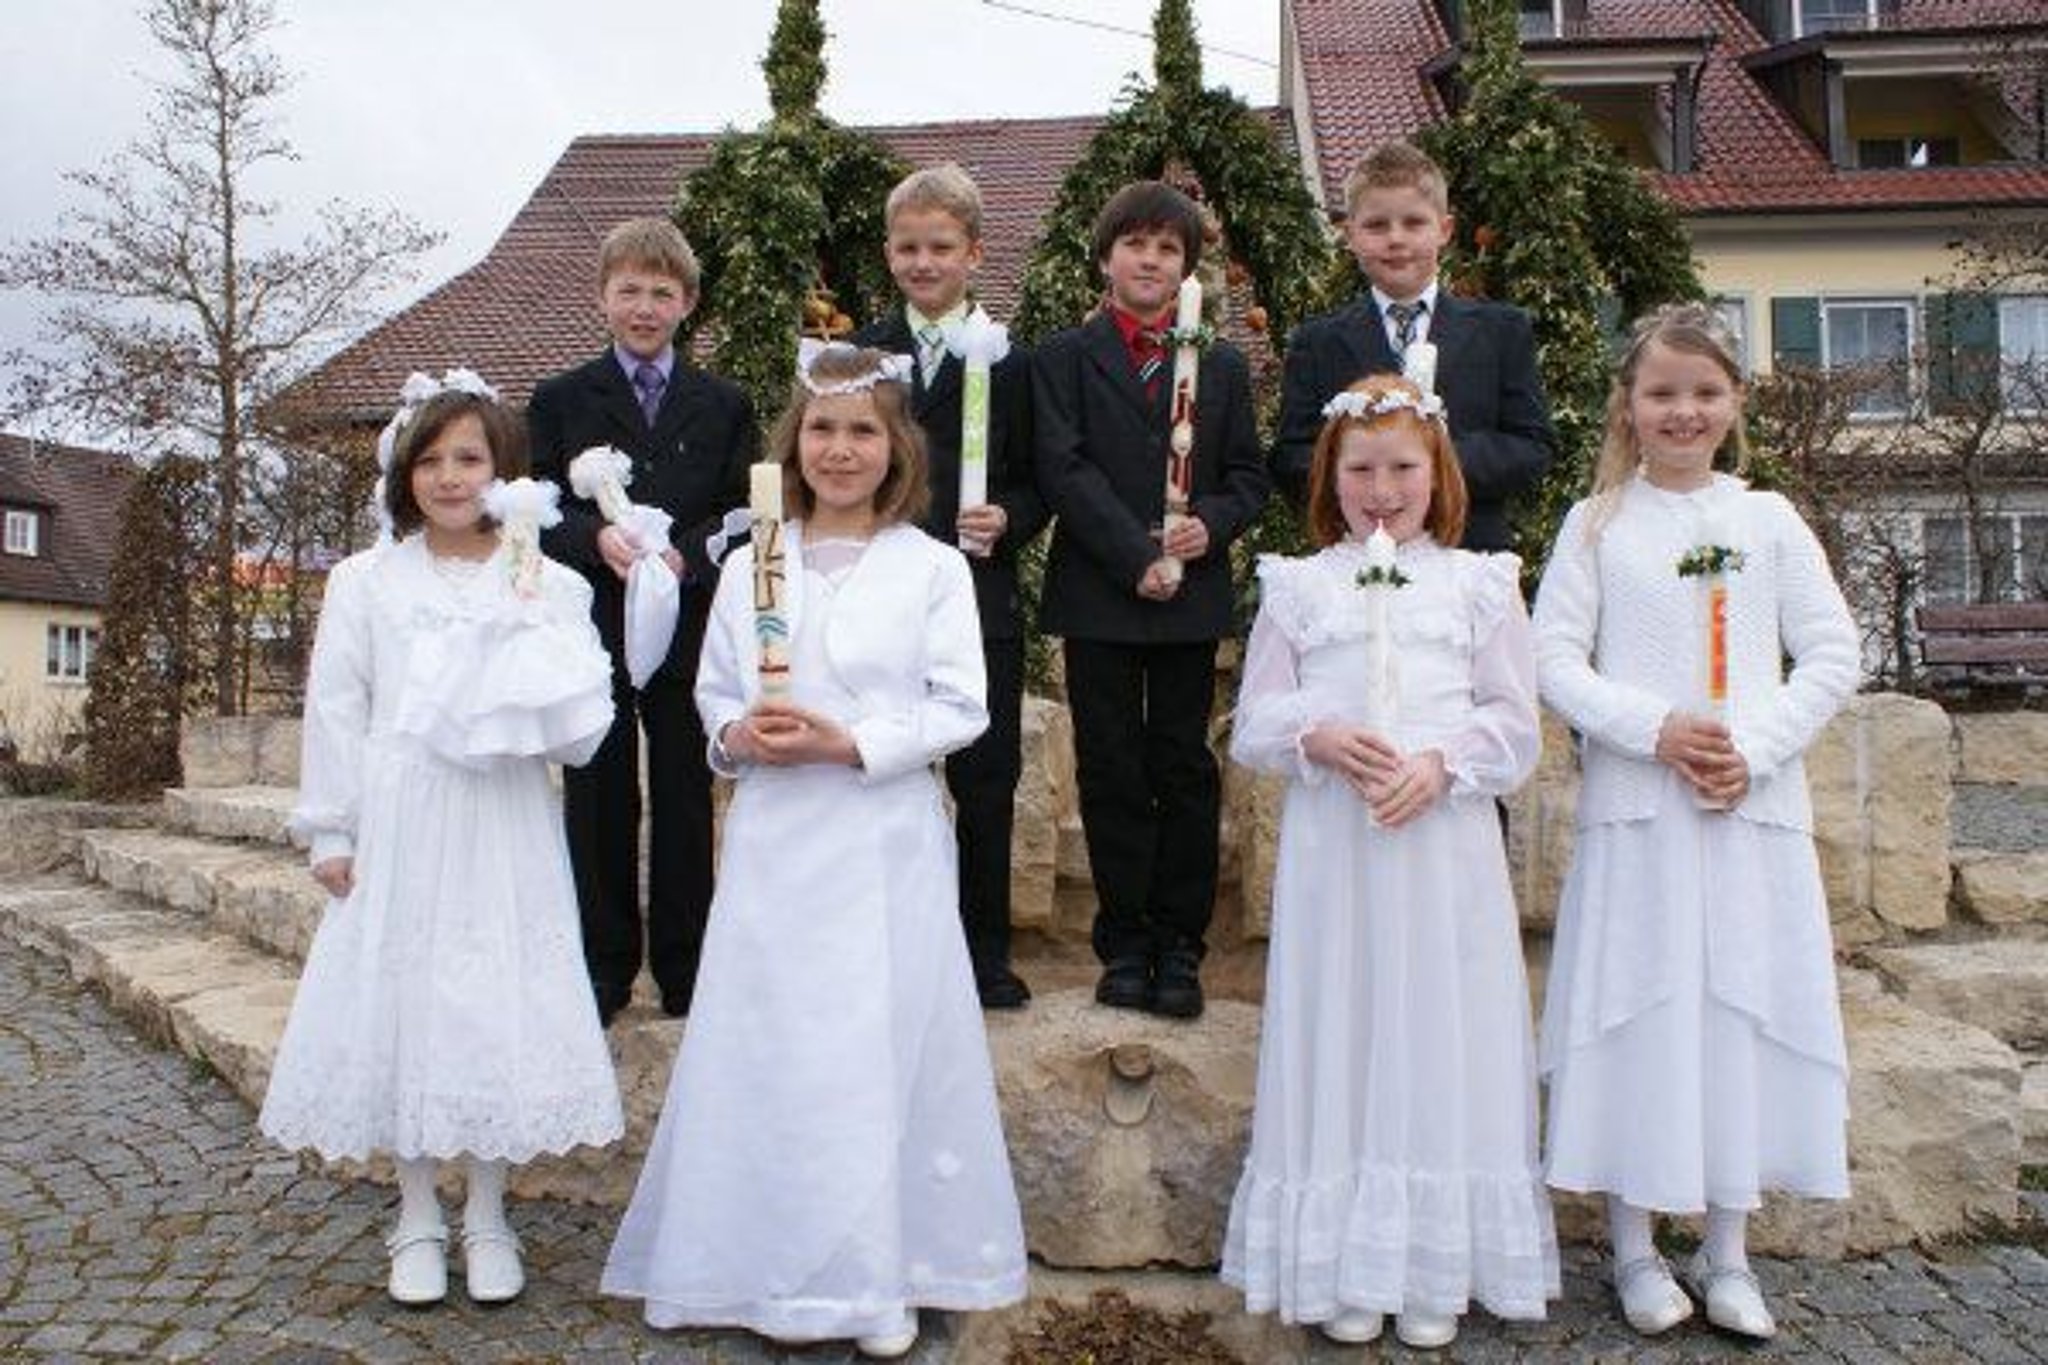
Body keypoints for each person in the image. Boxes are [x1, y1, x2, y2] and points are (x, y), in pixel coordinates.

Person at [602, 345, 1026, 1359]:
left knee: (873, 1044)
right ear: (794, 446)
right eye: (823, 430)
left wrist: (852, 742)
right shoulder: (755, 561)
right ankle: (765, 1260)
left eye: (862, 431)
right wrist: (734, 735)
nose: (841, 450)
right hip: (778, 842)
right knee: (781, 1043)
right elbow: (715, 688)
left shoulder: (930, 567)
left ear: (896, 447)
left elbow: (961, 704)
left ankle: (880, 1270)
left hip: (881, 838)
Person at [261, 372, 623, 1308]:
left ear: (506, 471)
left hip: (502, 816)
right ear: (404, 473)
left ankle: (490, 1210)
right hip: (403, 816)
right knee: (411, 1004)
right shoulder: (366, 581)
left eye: (470, 458)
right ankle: (418, 1210)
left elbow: (579, 722)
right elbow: (338, 707)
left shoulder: (548, 579)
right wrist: (331, 825)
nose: (451, 477)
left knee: (492, 1005)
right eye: (431, 460)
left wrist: (534, 642)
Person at [1533, 303, 1859, 1341]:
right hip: (1641, 813)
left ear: (1734, 402)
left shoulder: (1769, 521)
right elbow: (1552, 658)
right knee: (1643, 1012)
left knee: (1732, 1017)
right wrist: (1654, 729)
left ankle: (1727, 1250)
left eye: (1704, 392)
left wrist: (1750, 747)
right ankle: (1633, 1246)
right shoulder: (1595, 525)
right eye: (1662, 392)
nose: (1683, 411)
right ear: (1628, 405)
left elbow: (1831, 652)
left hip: (1745, 812)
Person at [1221, 374, 1559, 1349]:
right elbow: (1254, 720)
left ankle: (1430, 1263)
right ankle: (1344, 1263)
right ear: (1330, 477)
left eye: (1402, 468)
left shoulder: (1480, 583)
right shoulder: (1299, 586)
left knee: (1436, 1029)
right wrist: (1318, 734)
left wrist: (1441, 764)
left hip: (1440, 847)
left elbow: (1514, 723)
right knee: (1349, 1021)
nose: (1381, 490)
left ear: (1437, 472)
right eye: (1360, 469)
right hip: (1336, 851)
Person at [1032, 179, 1270, 1020]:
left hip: (1188, 597)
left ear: (1187, 268)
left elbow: (1246, 475)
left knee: (1182, 766)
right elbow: (1061, 467)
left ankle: (1180, 944)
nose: (1150, 260)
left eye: (1168, 249)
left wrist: (1211, 523)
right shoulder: (1064, 357)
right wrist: (1134, 555)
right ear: (1106, 257)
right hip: (1100, 591)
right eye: (1135, 244)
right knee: (1110, 767)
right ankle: (1125, 941)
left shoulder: (1222, 365)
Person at [527, 217, 758, 1025]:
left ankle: (686, 966)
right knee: (598, 790)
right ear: (602, 296)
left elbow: (741, 508)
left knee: (686, 792)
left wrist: (685, 557)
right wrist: (594, 539)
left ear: (687, 302)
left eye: (662, 293)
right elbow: (537, 510)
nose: (645, 308)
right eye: (629, 290)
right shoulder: (560, 400)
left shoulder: (724, 403)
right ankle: (603, 964)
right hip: (593, 622)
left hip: (688, 623)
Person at [849, 163, 1046, 1010]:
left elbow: (1039, 475)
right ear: (888, 253)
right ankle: (886, 943)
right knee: (884, 765)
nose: (922, 263)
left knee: (985, 776)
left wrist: (1011, 516)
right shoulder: (861, 356)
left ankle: (982, 951)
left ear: (974, 252)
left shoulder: (1013, 359)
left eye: (940, 247)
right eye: (907, 248)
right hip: (881, 594)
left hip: (978, 591)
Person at [1270, 141, 1554, 554]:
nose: (1396, 239)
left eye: (1414, 223)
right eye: (1377, 226)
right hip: (1358, 557)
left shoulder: (1501, 331)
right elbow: (1291, 458)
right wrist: (1369, 472)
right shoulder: (1316, 342)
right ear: (1350, 235)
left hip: (1470, 552)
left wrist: (1434, 461)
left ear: (1445, 230)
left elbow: (1532, 448)